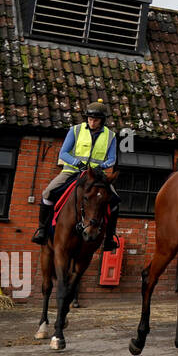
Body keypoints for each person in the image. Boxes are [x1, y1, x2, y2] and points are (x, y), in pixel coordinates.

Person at [32, 100, 121, 251]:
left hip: (96, 175)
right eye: (90, 119)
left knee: (115, 200)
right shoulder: (75, 130)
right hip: (72, 171)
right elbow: (63, 153)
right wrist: (77, 163)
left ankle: (109, 237)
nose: (92, 122)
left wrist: (101, 166)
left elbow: (112, 159)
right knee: (47, 192)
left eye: (96, 120)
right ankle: (42, 230)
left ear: (102, 120)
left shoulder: (110, 136)